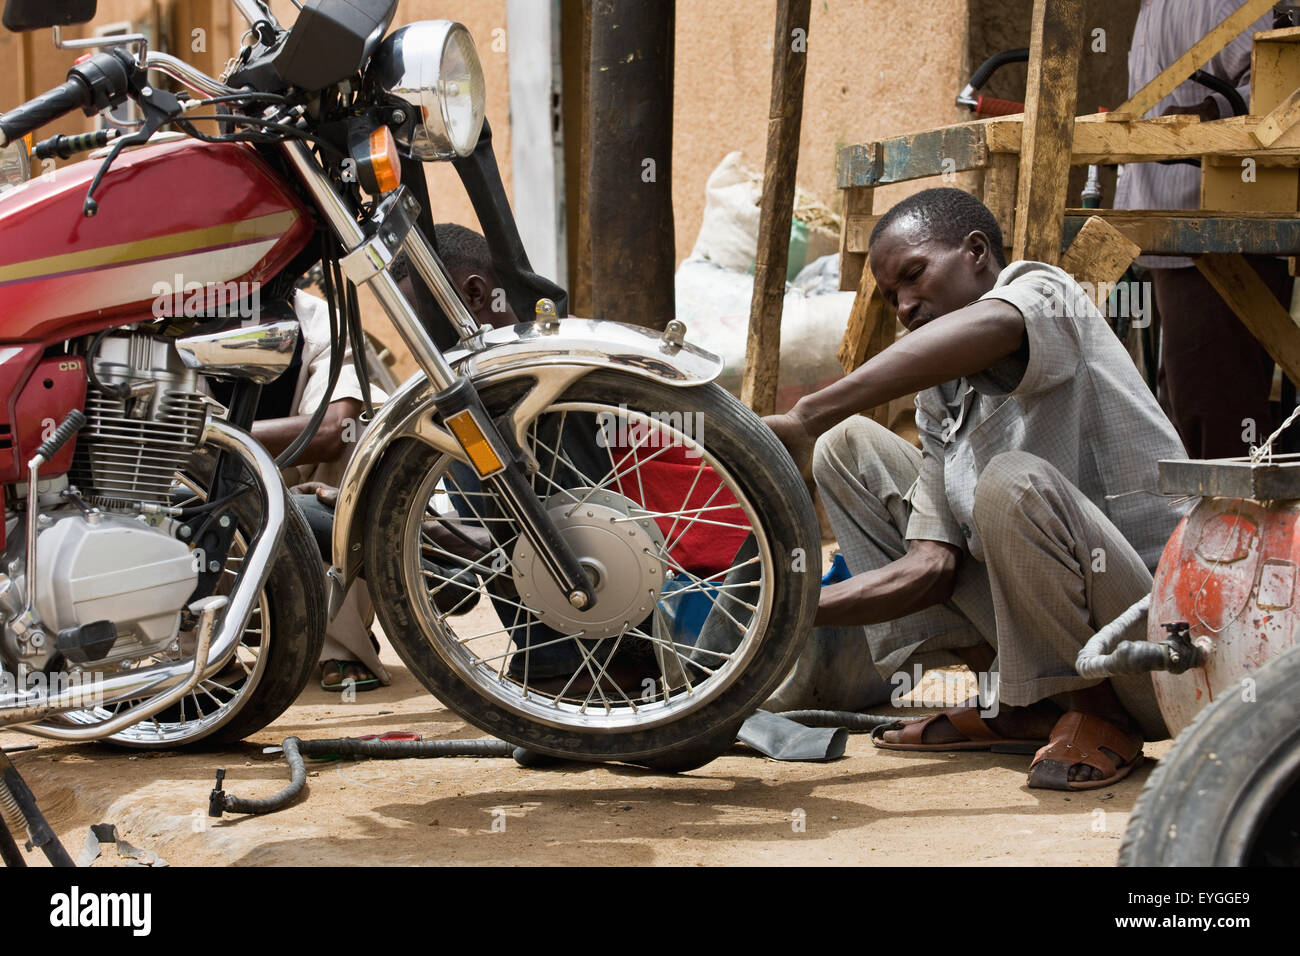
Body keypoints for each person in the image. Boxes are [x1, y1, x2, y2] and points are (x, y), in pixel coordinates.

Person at [764, 187, 1188, 791]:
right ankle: (1022, 702)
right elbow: (930, 566)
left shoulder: (1045, 292)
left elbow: (995, 326)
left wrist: (808, 417)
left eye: (915, 276)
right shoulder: (941, 401)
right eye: (893, 299)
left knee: (1009, 481)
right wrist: (783, 610)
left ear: (976, 252)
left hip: (1149, 646)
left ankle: (1099, 715)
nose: (906, 307)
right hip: (1058, 647)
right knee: (848, 447)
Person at [1116, 0, 1291, 458]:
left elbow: (1284, 87)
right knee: (1181, 406)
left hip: (1217, 232)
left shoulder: (1233, 2)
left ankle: (1234, 523)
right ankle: (1203, 520)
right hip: (1166, 225)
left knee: (1215, 415)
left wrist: (1210, 110)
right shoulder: (1155, 6)